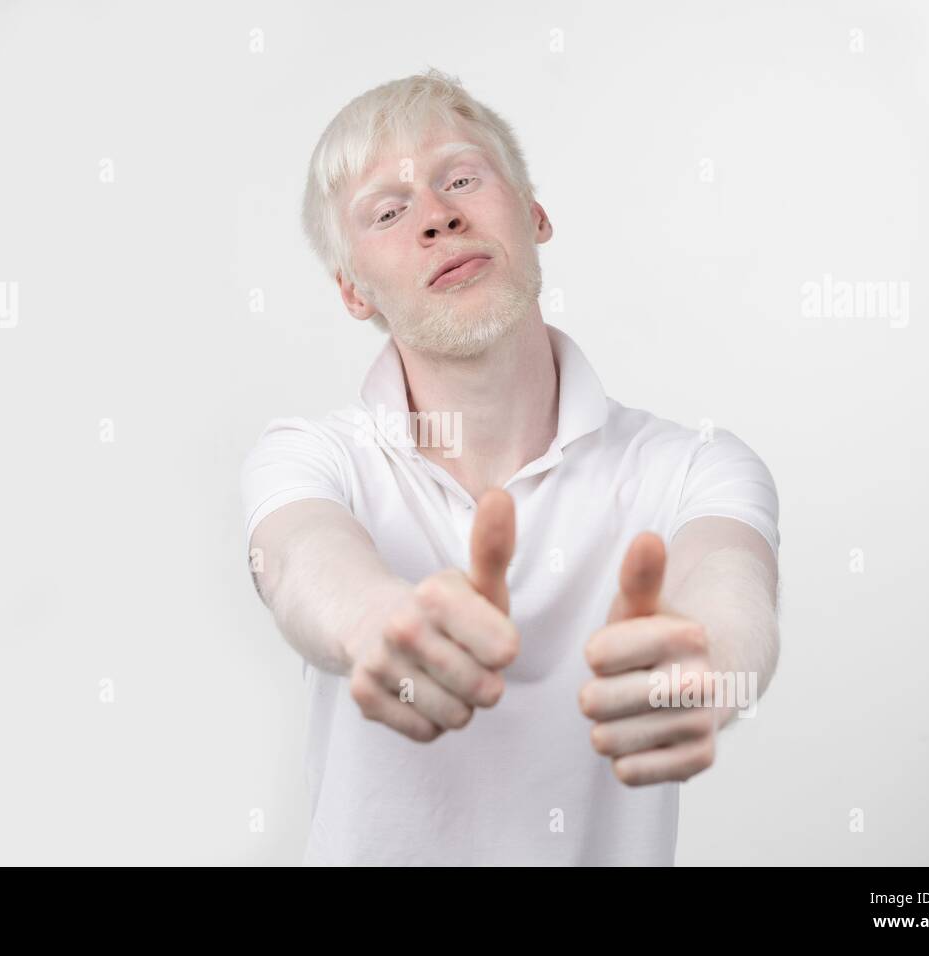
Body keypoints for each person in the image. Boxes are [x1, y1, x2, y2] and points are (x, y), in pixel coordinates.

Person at [240, 68, 781, 865]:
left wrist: (706, 664)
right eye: (389, 212)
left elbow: (731, 582)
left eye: (460, 178)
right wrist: (374, 624)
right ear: (354, 292)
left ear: (533, 214)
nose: (437, 217)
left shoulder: (694, 466)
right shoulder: (313, 457)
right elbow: (300, 559)